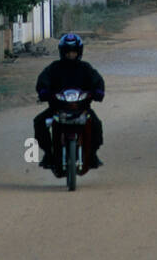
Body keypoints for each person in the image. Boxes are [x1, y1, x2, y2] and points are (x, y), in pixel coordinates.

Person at [34, 33, 105, 170]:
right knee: (39, 122)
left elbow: (98, 81)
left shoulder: (86, 68)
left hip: (82, 108)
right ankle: (48, 154)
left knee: (97, 125)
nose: (71, 55)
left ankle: (92, 155)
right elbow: (43, 80)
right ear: (62, 52)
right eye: (67, 52)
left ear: (79, 52)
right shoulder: (54, 68)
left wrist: (99, 92)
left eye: (73, 52)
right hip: (57, 109)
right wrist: (43, 92)